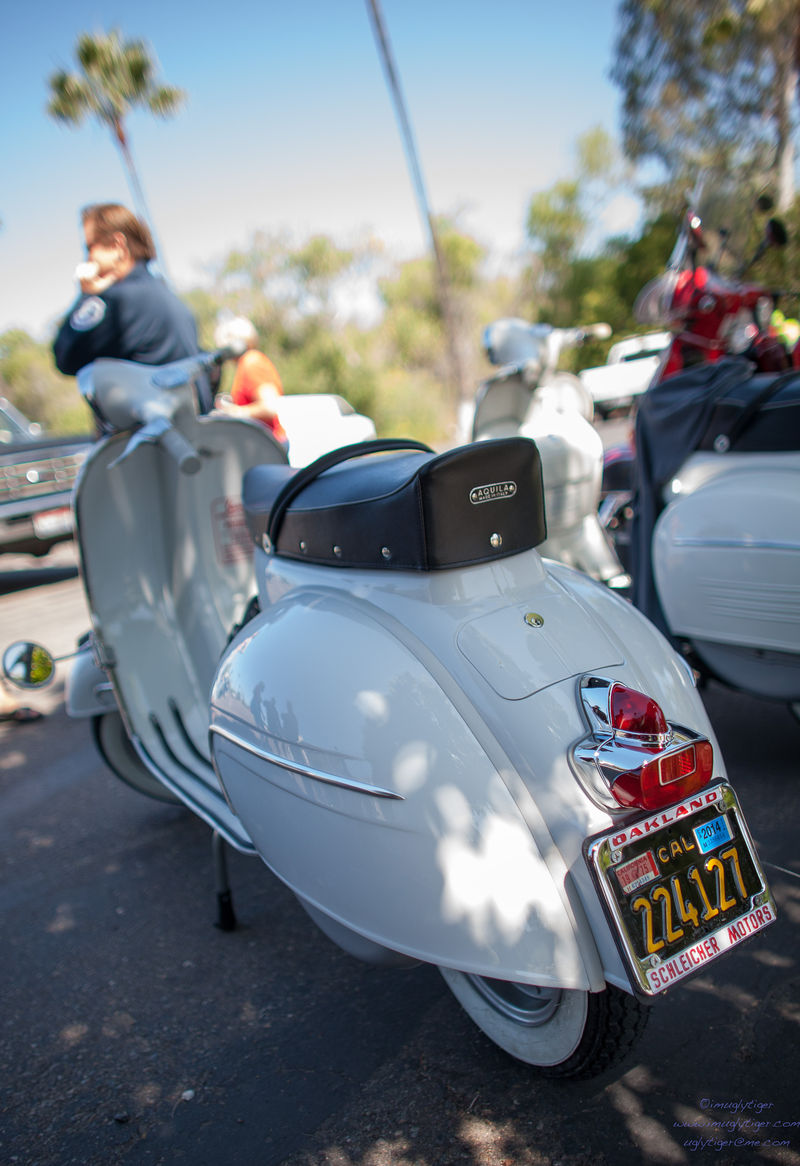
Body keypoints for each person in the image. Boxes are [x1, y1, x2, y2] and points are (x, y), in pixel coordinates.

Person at [53, 203, 206, 400]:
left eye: (90, 247)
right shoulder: (168, 296)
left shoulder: (117, 301)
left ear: (117, 245)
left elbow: (65, 356)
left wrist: (86, 294)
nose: (88, 258)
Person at [213, 316, 288, 448]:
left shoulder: (251, 362)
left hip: (269, 444)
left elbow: (270, 407)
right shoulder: (246, 363)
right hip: (262, 443)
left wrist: (234, 413)